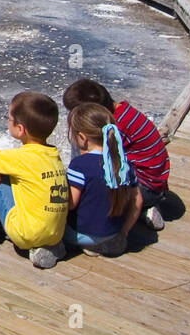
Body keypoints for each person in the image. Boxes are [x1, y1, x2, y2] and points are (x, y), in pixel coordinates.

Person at [0, 91, 69, 269]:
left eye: (9, 118)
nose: (7, 120)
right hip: (55, 234)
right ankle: (46, 246)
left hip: (25, 233)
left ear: (20, 129)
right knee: (7, 171)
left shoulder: (21, 158)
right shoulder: (53, 155)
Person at [63, 78, 171, 230]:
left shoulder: (114, 128)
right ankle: (146, 208)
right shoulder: (123, 111)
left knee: (81, 136)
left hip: (144, 189)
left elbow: (95, 165)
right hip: (154, 185)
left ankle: (77, 185)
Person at [63, 103, 142, 256]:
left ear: (82, 138)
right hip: (113, 232)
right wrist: (124, 232)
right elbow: (137, 201)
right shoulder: (123, 163)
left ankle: (84, 245)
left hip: (81, 234)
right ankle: (107, 243)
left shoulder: (80, 165)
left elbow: (71, 204)